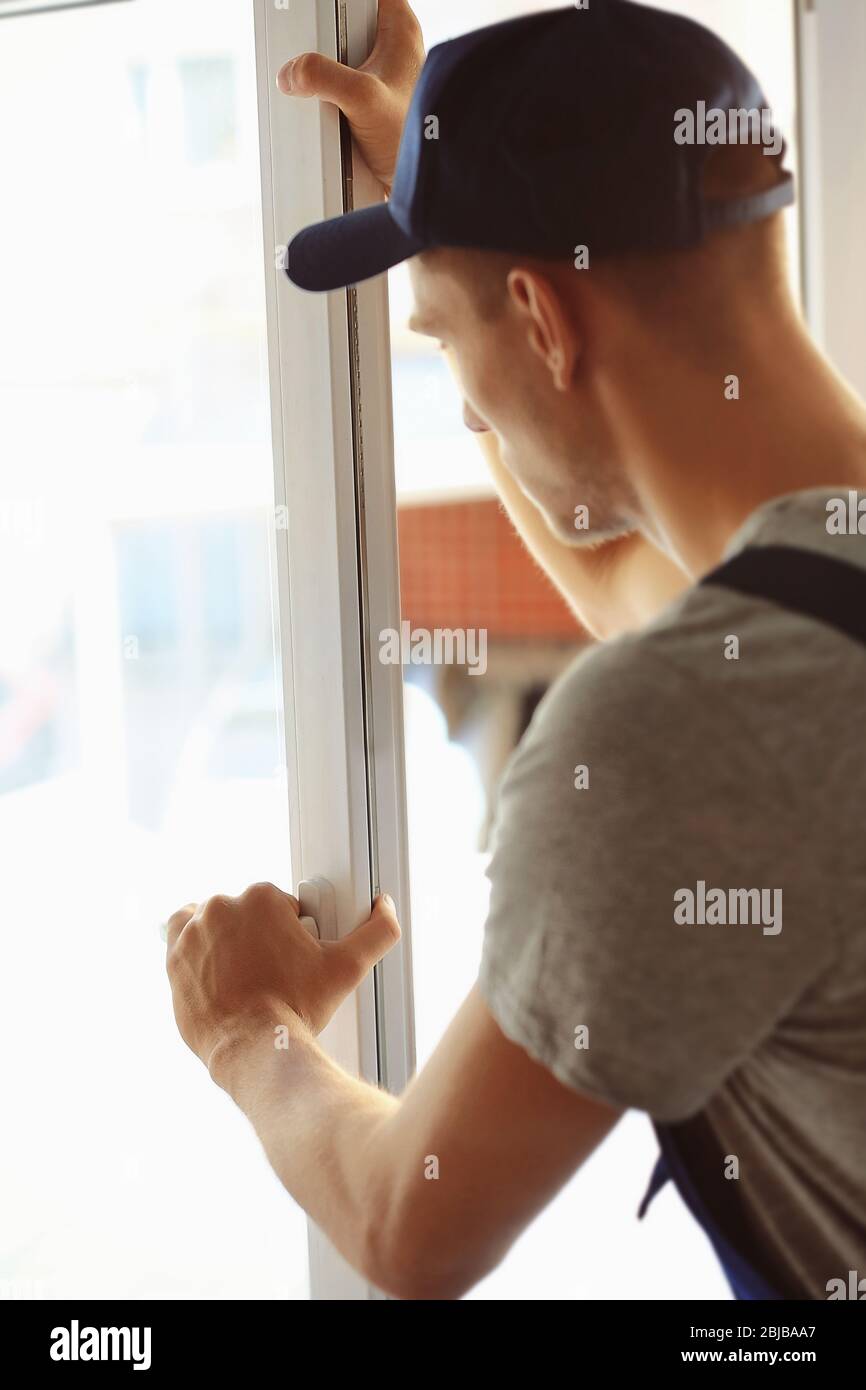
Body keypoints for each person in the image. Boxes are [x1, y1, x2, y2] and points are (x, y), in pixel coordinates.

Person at [165, 1, 866, 1300]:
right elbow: (624, 578)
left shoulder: (677, 732)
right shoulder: (798, 618)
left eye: (438, 336)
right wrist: (445, 201)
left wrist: (245, 1026)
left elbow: (402, 1223)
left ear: (542, 321)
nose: (453, 374)